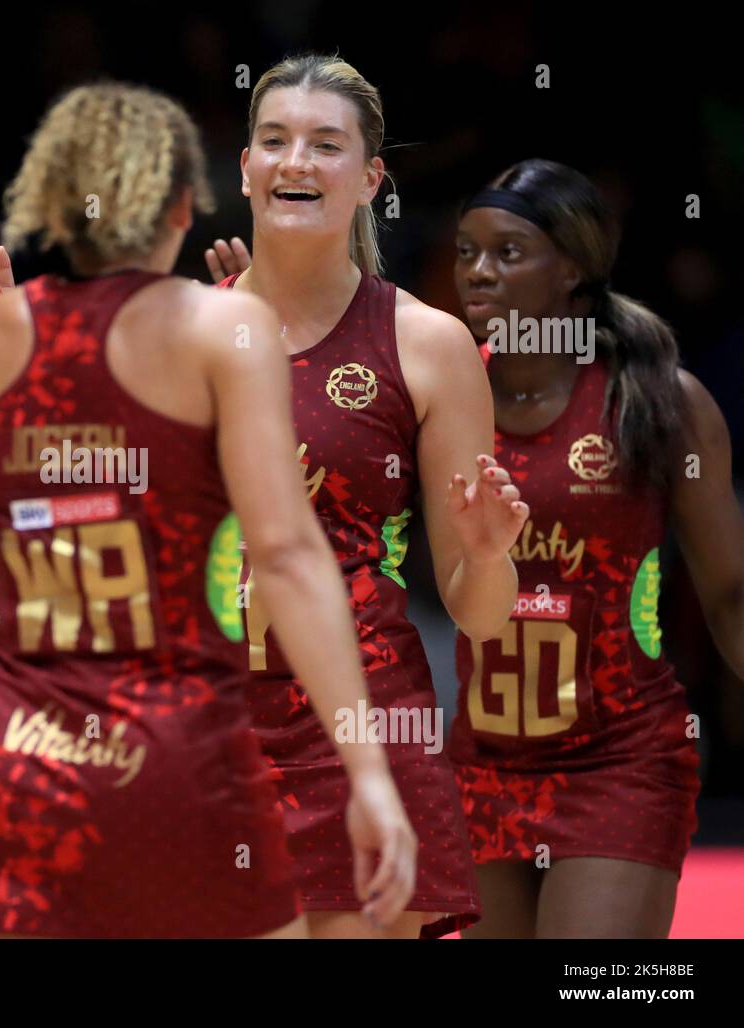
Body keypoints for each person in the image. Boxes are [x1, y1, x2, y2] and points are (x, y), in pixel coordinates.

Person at [0, 82, 417, 938]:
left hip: (8, 754)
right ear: (185, 203)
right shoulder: (224, 328)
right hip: (173, 757)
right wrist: (369, 772)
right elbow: (292, 558)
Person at [204, 52, 528, 938]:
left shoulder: (430, 345)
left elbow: (484, 616)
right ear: (245, 168)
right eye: (273, 141)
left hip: (367, 716)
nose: (296, 162)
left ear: (371, 179)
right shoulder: (175, 332)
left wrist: (490, 552)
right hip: (214, 724)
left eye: (325, 144)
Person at [450, 158, 744, 937]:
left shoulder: (658, 399)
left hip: (621, 758)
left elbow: (729, 596)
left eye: (508, 252)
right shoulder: (443, 393)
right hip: (479, 759)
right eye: (465, 252)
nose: (478, 272)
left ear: (572, 268)